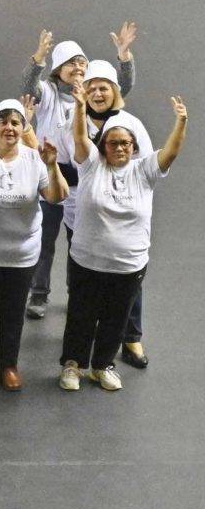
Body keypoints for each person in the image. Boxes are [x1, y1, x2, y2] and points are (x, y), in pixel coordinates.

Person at [61, 97, 186, 391]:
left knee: (115, 320)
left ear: (134, 147)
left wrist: (181, 122)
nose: (119, 148)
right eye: (113, 143)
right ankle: (73, 365)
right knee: (81, 315)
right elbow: (80, 137)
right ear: (103, 146)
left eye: (125, 144)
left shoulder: (144, 170)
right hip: (87, 262)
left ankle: (102, 365)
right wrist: (80, 108)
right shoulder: (91, 166)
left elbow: (171, 153)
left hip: (128, 265)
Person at [0, 100, 70, 392]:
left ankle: (8, 365)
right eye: (3, 122)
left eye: (15, 123)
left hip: (21, 255)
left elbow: (56, 196)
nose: (9, 128)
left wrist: (51, 165)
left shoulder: (35, 158)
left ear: (23, 128)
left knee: (12, 313)